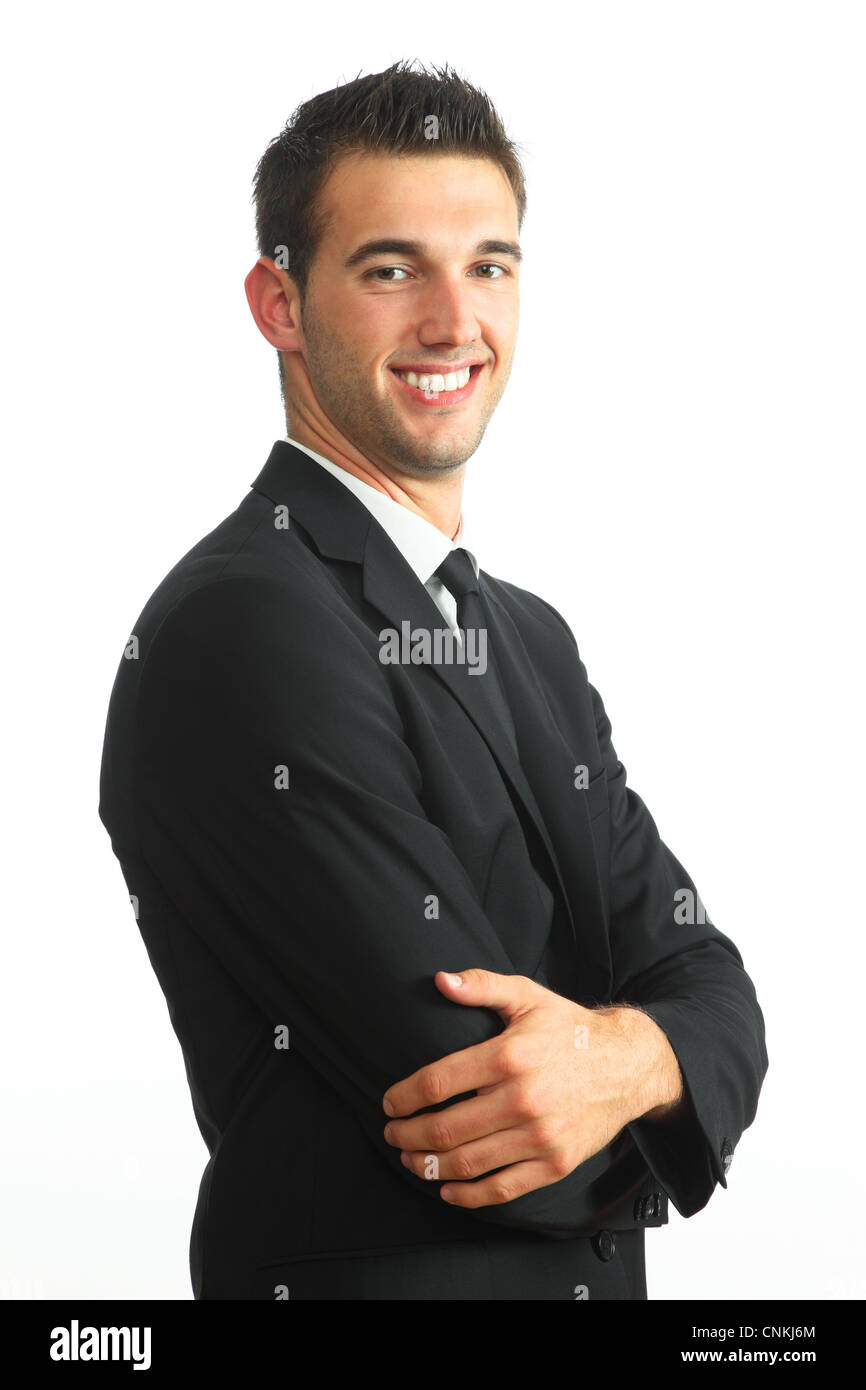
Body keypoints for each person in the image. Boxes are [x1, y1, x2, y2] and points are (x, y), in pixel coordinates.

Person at [98, 60, 768, 1300]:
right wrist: (669, 1075)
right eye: (392, 267)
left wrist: (627, 1054)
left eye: (490, 265)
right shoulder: (244, 625)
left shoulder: (526, 634)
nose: (454, 321)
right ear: (279, 303)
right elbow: (485, 1113)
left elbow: (708, 980)